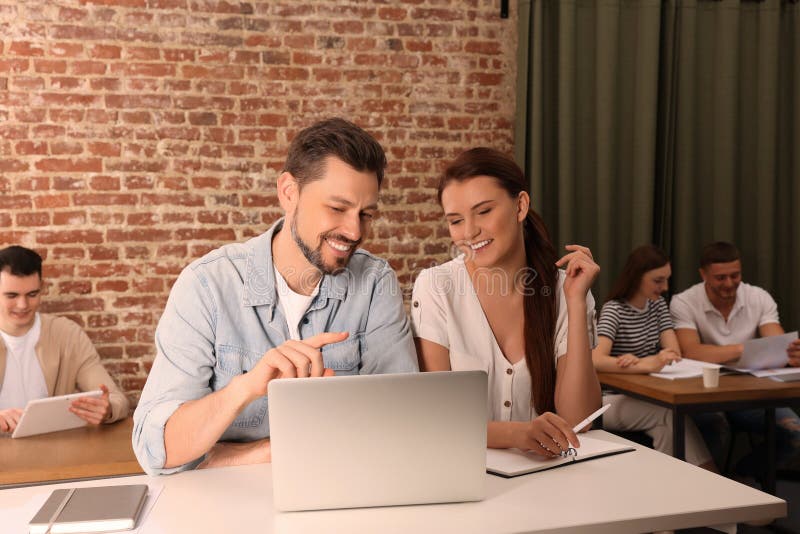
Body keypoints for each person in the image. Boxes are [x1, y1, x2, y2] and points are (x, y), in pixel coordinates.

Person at [133, 118, 418, 475]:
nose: (354, 230)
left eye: (366, 214)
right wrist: (244, 389)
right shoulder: (206, 286)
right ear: (288, 192)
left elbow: (401, 424)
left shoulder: (375, 284)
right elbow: (154, 448)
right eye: (337, 208)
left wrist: (234, 455)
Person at [411, 147, 601, 456]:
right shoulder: (437, 288)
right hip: (465, 473)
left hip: (550, 478)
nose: (470, 231)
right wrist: (518, 434)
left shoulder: (567, 290)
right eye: (456, 220)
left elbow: (578, 420)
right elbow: (439, 418)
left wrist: (577, 304)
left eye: (484, 211)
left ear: (521, 206)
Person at [670, 241, 800, 473]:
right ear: (703, 275)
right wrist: (744, 350)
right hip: (703, 394)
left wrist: (791, 353)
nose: (729, 284)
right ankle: (709, 491)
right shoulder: (684, 301)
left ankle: (742, 478)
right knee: (714, 428)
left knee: (795, 432)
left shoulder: (758, 297)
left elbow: (777, 345)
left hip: (749, 392)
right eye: (720, 278)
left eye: (735, 275)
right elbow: (690, 350)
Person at [592, 245, 715, 470]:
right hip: (609, 400)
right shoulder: (614, 309)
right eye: (658, 281)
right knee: (668, 415)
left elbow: (673, 352)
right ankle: (712, 478)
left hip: (645, 395)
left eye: (666, 280)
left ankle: (670, 487)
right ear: (637, 277)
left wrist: (646, 361)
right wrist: (642, 364)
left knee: (668, 426)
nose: (665, 287)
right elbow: (596, 360)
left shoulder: (657, 306)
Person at [0, 246, 130, 433]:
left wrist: (107, 409)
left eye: (32, 294)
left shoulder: (66, 335)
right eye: (12, 296)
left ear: (41, 289)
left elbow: (117, 400)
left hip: (54, 451)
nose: (23, 305)